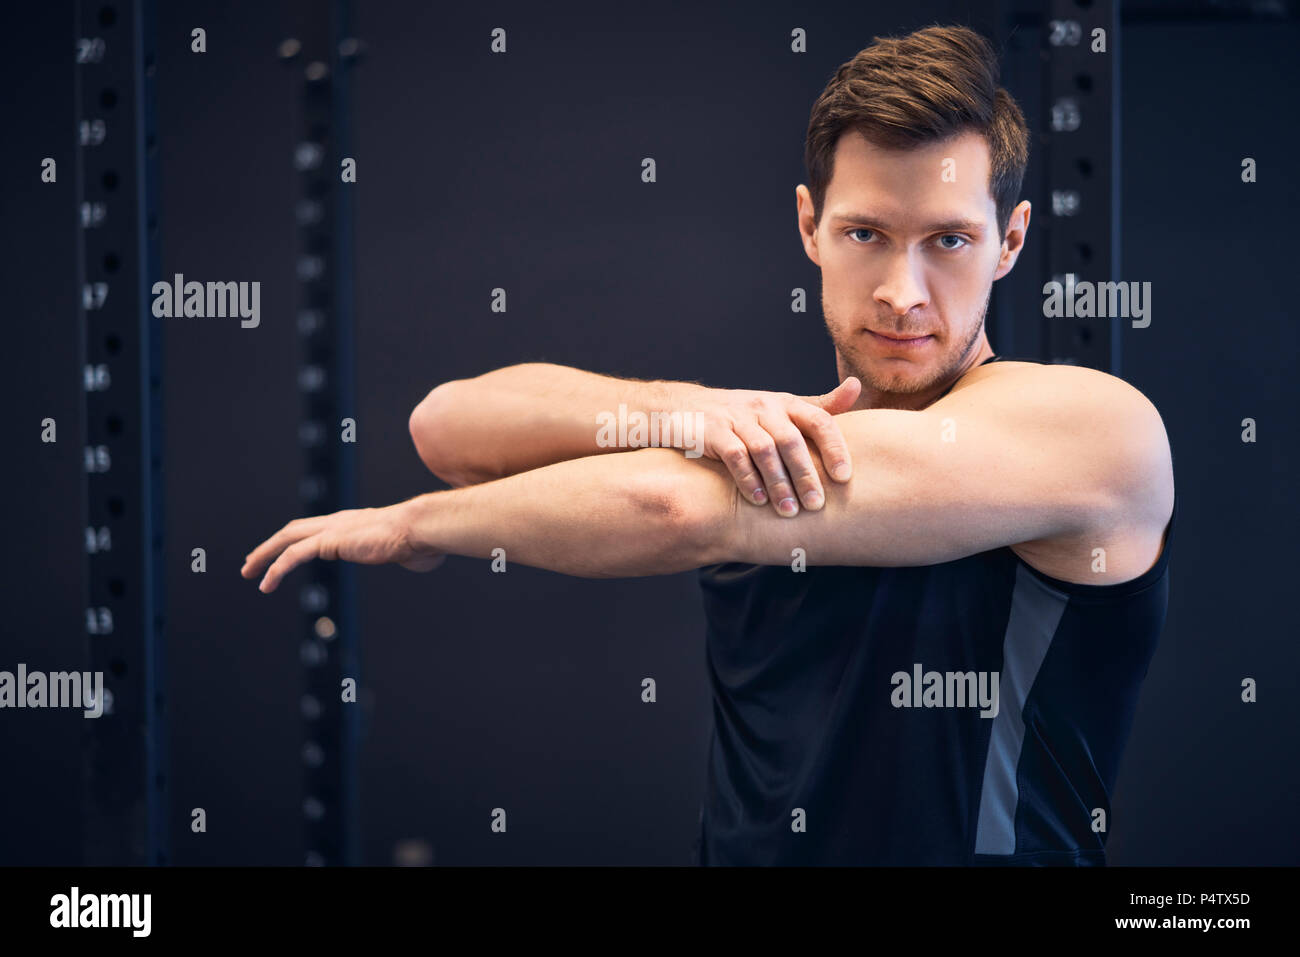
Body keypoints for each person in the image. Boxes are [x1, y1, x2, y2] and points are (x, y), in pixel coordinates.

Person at [242, 25, 1175, 865]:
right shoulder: (755, 427)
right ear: (809, 225)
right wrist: (682, 411)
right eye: (865, 233)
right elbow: (447, 424)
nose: (902, 289)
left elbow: (676, 506)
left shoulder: (1093, 429)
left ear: (1009, 243)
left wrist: (416, 526)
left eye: (948, 241)